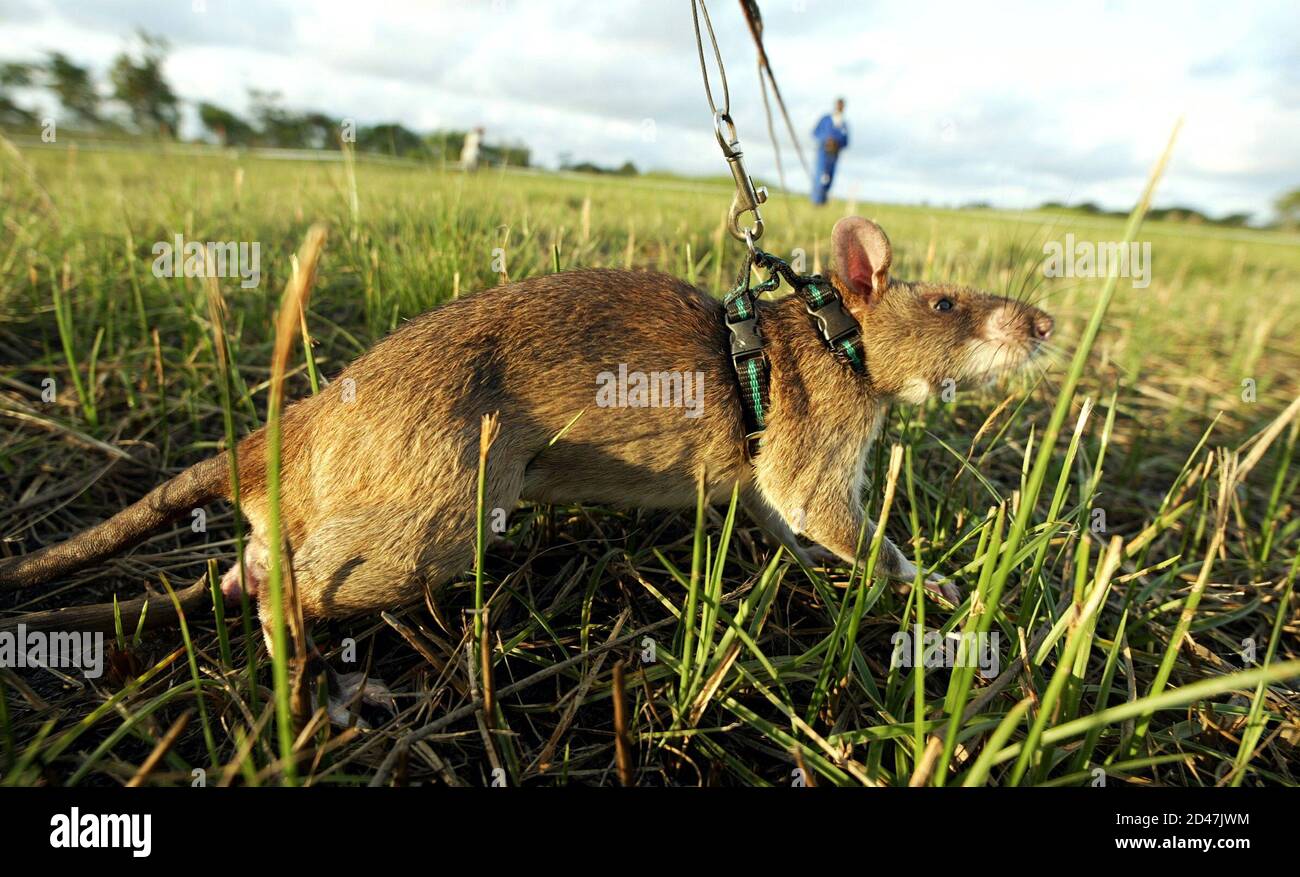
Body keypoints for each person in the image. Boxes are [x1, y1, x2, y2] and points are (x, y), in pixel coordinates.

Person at [810, 99, 848, 205]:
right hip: (823, 152)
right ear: (835, 106)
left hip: (834, 154)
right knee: (820, 176)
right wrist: (826, 139)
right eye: (838, 105)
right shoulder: (826, 119)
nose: (840, 107)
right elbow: (815, 132)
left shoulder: (843, 124)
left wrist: (837, 142)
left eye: (842, 106)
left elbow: (846, 141)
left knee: (829, 179)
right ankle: (816, 202)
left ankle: (823, 201)